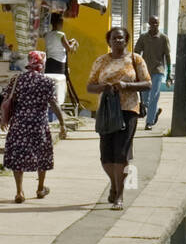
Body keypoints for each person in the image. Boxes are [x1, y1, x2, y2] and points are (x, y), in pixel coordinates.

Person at [86, 27, 151, 211]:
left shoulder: (135, 59)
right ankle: (114, 185)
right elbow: (90, 86)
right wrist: (103, 87)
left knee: (121, 153)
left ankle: (120, 195)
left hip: (128, 110)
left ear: (127, 40)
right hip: (106, 111)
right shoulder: (101, 61)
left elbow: (147, 84)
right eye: (114, 38)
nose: (118, 41)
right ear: (109, 41)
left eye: (121, 38)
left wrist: (126, 85)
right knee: (106, 156)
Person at [0, 50, 66, 203]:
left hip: (19, 124)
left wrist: (3, 119)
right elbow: (54, 104)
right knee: (41, 155)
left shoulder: (17, 79)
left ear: (29, 62)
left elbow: (6, 100)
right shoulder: (47, 82)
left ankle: (19, 192)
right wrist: (62, 124)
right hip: (39, 125)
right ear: (41, 64)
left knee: (18, 156)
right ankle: (40, 188)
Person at [134, 15, 171, 130]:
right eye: (152, 23)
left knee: (154, 96)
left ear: (159, 24)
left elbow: (168, 56)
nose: (154, 25)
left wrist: (169, 72)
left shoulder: (163, 38)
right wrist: (135, 68)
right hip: (144, 72)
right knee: (145, 100)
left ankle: (149, 122)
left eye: (156, 23)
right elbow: (136, 52)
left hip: (158, 70)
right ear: (148, 24)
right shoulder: (143, 37)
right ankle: (154, 113)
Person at [42, 11, 75, 110]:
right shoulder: (61, 34)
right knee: (58, 85)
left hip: (49, 62)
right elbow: (69, 49)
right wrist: (73, 42)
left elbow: (56, 45)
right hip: (59, 63)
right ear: (59, 24)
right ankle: (57, 108)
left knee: (49, 85)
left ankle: (48, 107)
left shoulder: (47, 34)